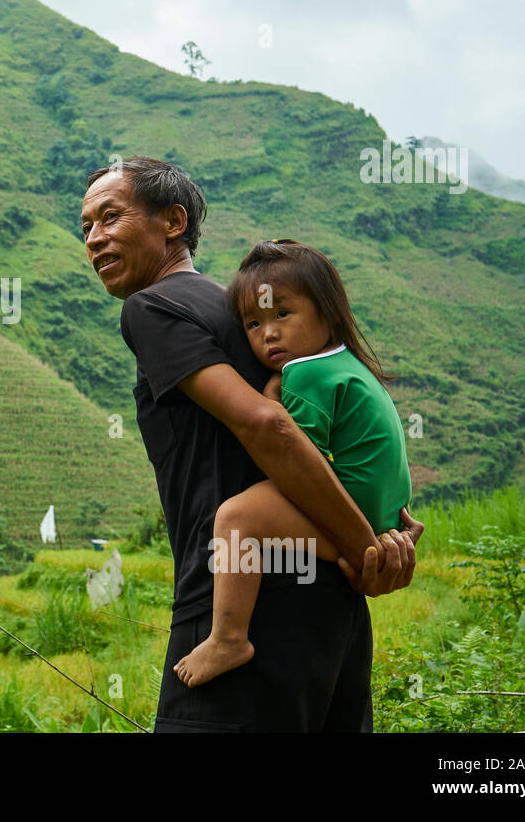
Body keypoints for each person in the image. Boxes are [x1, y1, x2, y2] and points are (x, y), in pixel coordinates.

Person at [81, 156, 421, 732]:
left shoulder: (153, 307)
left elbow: (268, 426)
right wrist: (366, 549)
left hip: (242, 609)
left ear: (172, 221)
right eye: (86, 226)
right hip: (332, 615)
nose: (94, 238)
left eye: (110, 217)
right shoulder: (249, 314)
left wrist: (364, 551)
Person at [175, 239, 416, 688]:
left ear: (326, 311)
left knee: (236, 518)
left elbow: (296, 462)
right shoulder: (346, 366)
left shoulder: (304, 374)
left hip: (348, 509)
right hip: (382, 516)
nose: (268, 333)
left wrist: (268, 402)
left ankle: (228, 638)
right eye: (253, 322)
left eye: (282, 314)